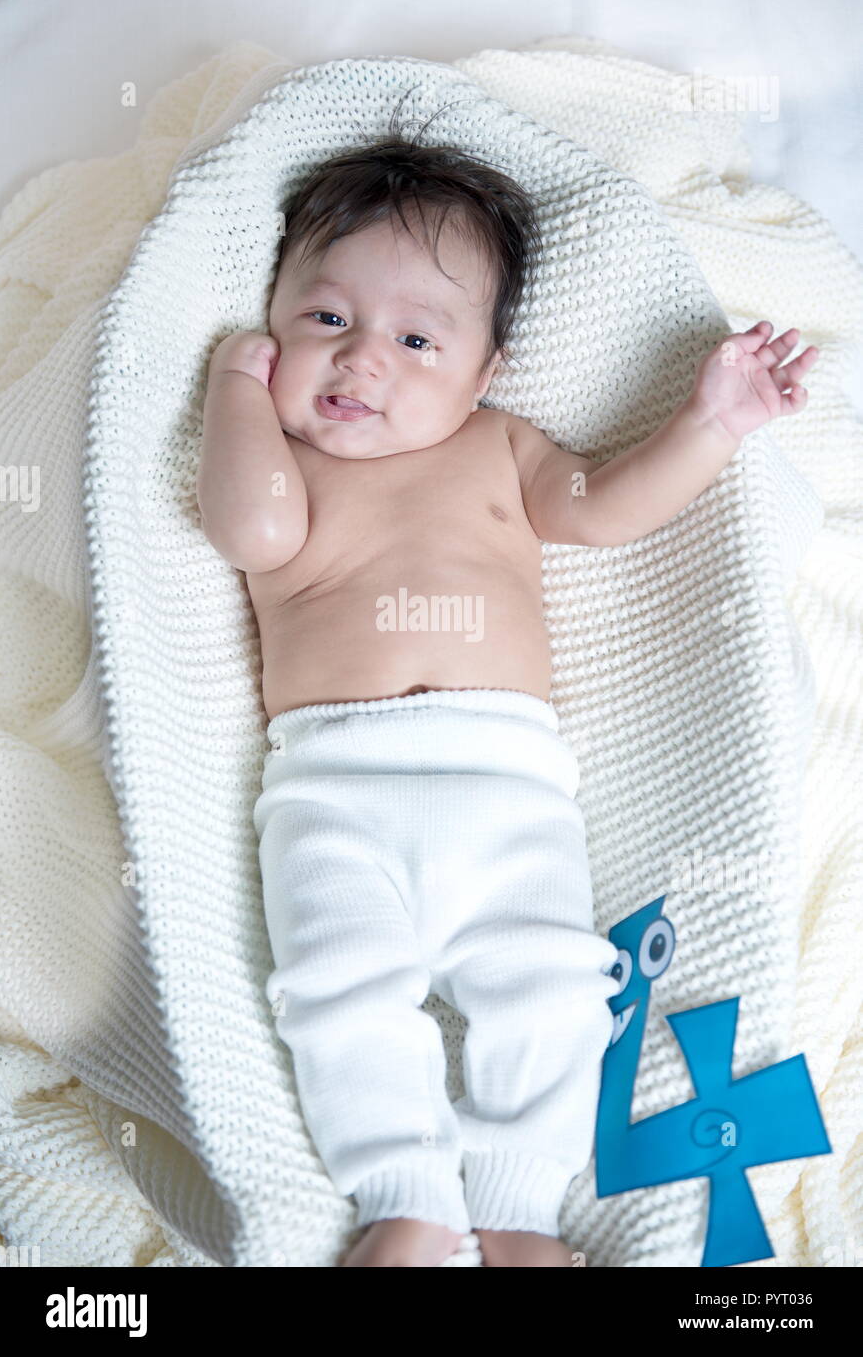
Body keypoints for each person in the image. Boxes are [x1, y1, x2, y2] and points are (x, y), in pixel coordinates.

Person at [196, 113, 818, 1267]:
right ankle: (408, 1202)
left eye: (417, 340)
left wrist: (711, 424)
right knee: (338, 994)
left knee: (554, 991)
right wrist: (237, 391)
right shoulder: (292, 471)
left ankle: (518, 1213)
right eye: (324, 320)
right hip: (337, 792)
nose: (362, 358)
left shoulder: (501, 448)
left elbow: (605, 504)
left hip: (508, 786)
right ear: (273, 328)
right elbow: (248, 526)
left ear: (487, 370)